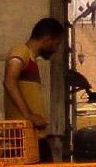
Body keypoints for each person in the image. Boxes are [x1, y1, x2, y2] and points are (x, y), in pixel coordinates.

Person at [5, 16, 66, 158]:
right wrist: (29, 116)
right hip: (23, 138)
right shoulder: (20, 51)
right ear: (47, 40)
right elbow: (9, 80)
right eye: (56, 44)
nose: (56, 49)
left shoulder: (32, 60)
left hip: (35, 137)